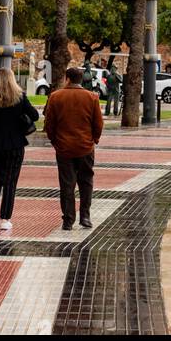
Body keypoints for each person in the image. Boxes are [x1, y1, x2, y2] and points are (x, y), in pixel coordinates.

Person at [43, 66, 104, 230]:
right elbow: (98, 123)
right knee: (86, 182)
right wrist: (94, 140)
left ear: (67, 78)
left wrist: (54, 140)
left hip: (64, 147)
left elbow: (49, 123)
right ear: (81, 79)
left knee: (66, 184)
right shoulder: (92, 97)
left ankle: (68, 219)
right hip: (85, 147)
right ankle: (85, 216)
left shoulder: (56, 97)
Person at [0, 67, 37, 232]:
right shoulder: (19, 98)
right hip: (15, 145)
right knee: (10, 182)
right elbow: (35, 115)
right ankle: (5, 218)